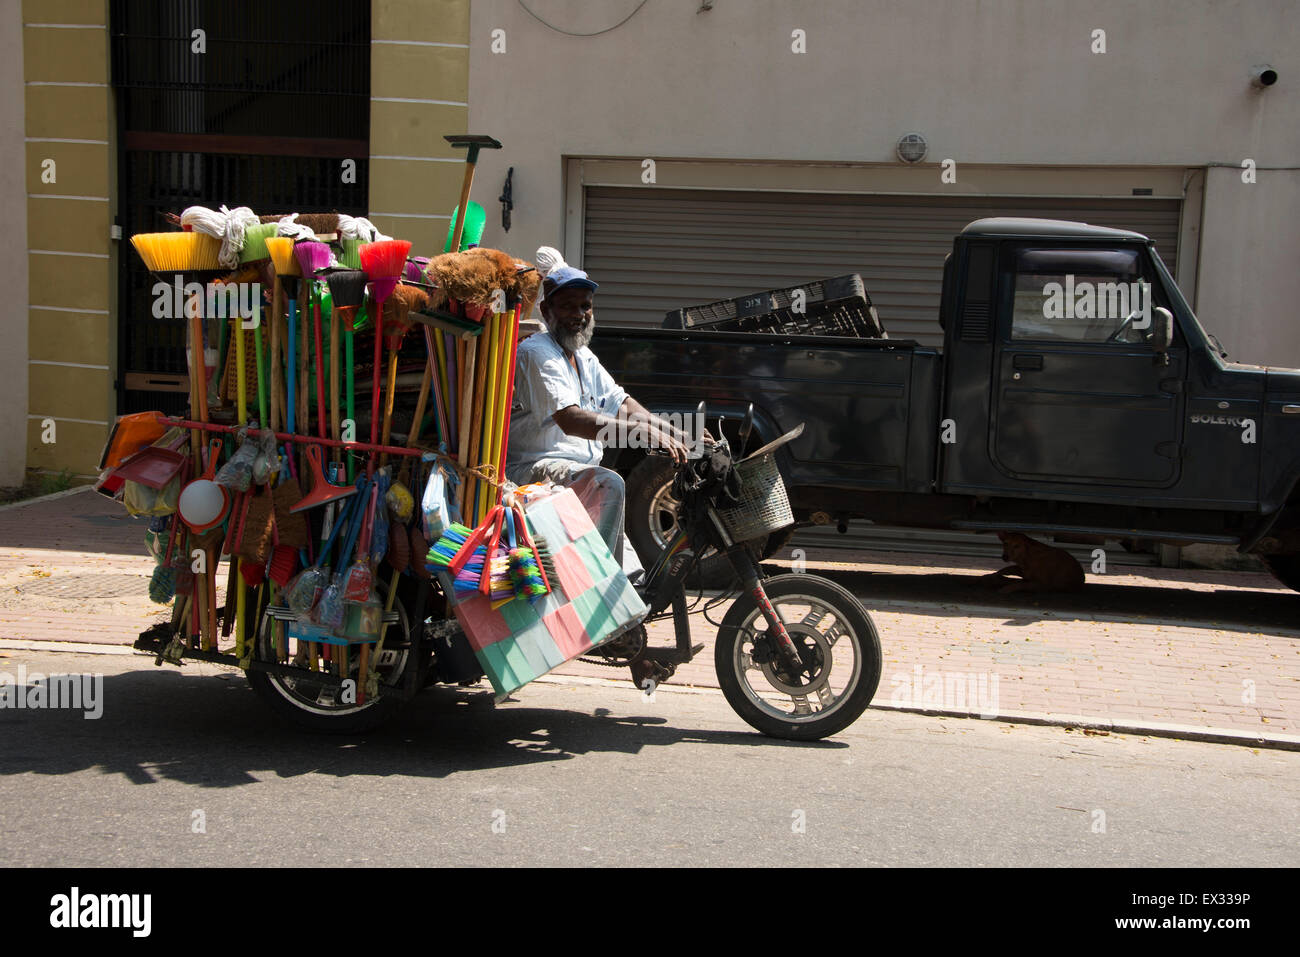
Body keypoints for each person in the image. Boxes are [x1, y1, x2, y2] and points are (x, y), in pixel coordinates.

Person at [505, 254, 698, 584]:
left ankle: (622, 599)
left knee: (638, 585)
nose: (579, 315)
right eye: (568, 306)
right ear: (546, 311)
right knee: (607, 482)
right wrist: (640, 432)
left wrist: (681, 434)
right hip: (535, 471)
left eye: (585, 306)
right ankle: (598, 588)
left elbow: (621, 403)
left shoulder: (581, 354)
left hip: (575, 474)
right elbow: (571, 420)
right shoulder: (537, 353)